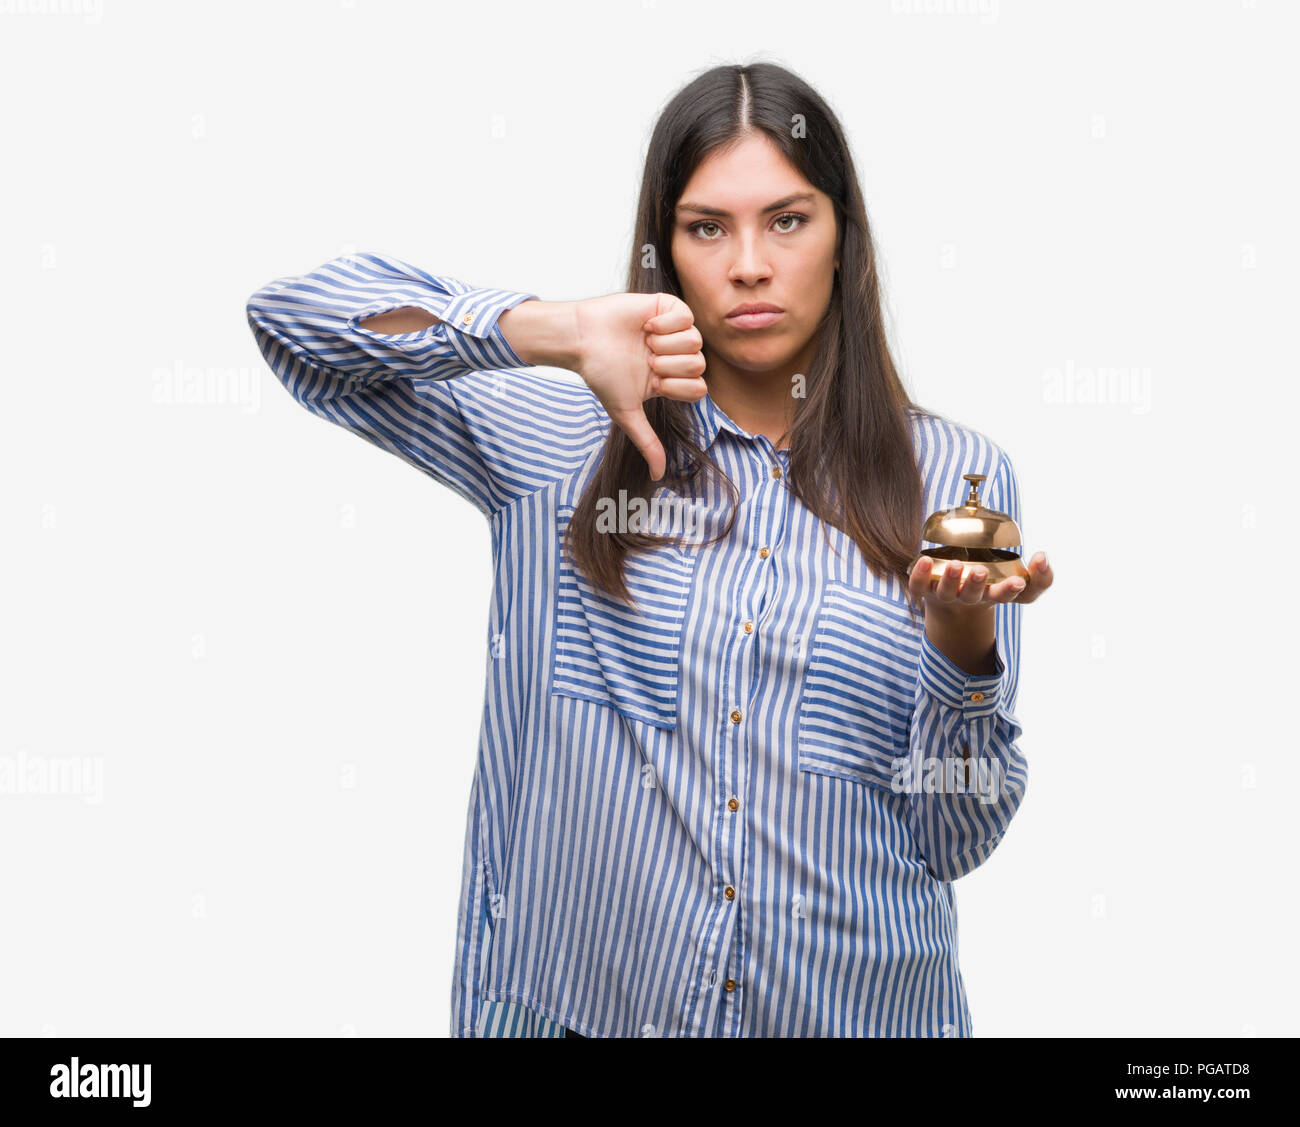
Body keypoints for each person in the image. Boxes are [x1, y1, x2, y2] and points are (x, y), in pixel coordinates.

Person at [245, 60, 1054, 1038]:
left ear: (844, 237)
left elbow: (956, 835)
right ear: (664, 247)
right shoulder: (554, 437)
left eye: (788, 220)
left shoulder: (957, 479)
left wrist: (962, 645)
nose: (748, 263)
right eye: (706, 226)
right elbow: (293, 320)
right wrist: (553, 328)